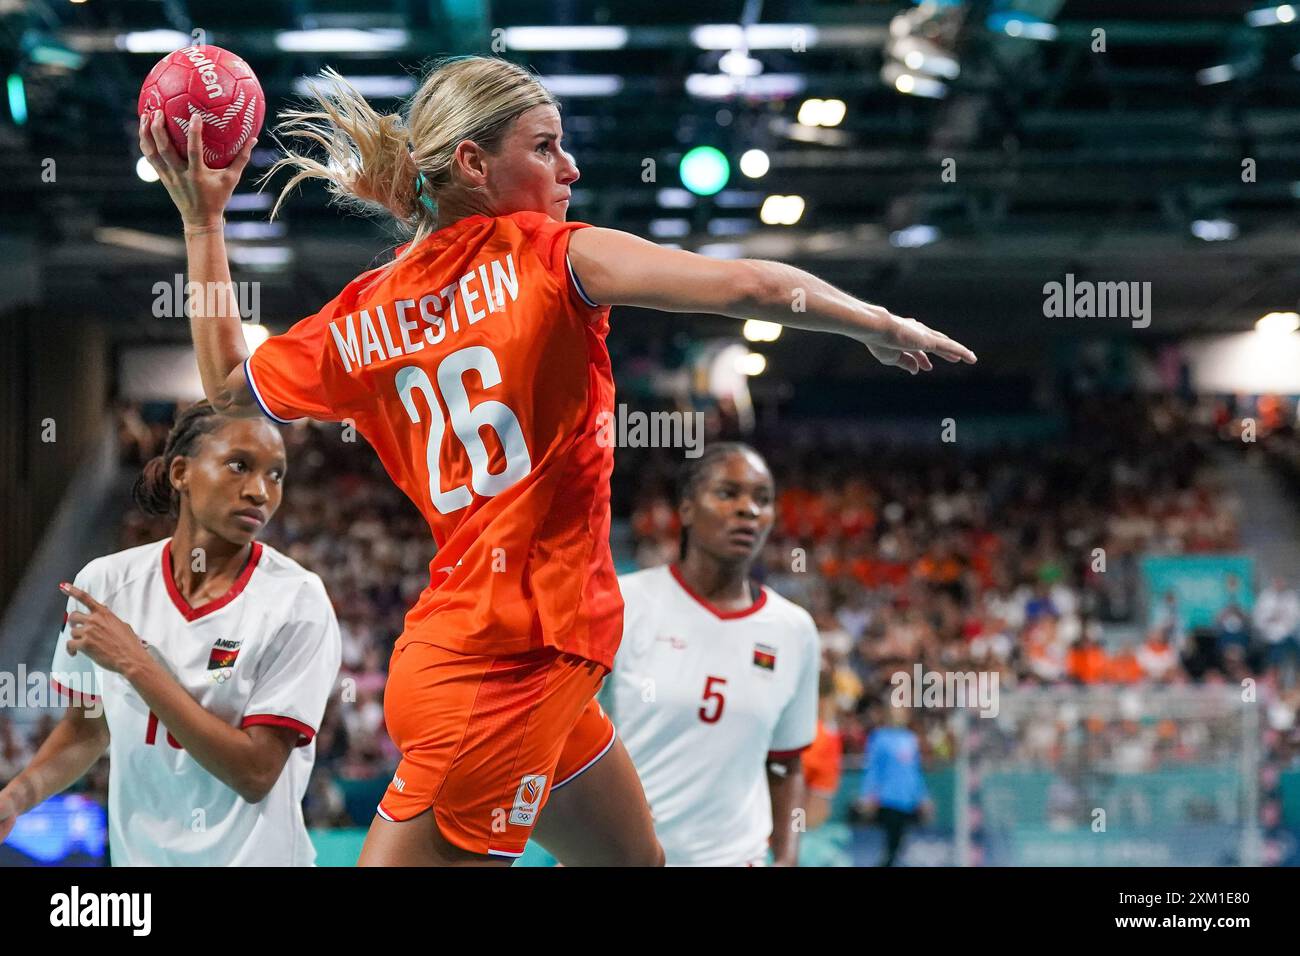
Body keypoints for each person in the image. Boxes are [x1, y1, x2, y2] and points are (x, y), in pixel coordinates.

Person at [138, 53, 976, 866]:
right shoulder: (551, 256)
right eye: (544, 146)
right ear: (472, 162)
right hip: (505, 668)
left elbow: (226, 389)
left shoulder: (365, 312)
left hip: (500, 651)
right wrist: (880, 324)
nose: (569, 167)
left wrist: (204, 223)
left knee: (632, 859)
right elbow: (750, 288)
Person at [0, 403, 341, 865]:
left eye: (276, 475)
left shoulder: (297, 599)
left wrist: (135, 663)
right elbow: (87, 728)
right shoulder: (104, 583)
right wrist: (17, 797)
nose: (260, 491)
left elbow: (256, 772)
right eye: (239, 465)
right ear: (181, 471)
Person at [603, 443, 819, 866]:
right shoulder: (623, 604)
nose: (748, 510)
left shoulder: (794, 631)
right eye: (728, 493)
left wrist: (788, 859)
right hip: (622, 858)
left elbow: (786, 765)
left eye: (763, 499)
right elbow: (565, 734)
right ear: (685, 508)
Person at [857, 707, 933, 867]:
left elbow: (915, 772)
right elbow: (872, 769)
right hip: (887, 799)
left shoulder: (911, 739)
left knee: (899, 844)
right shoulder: (879, 737)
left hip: (906, 800)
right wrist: (868, 795)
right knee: (889, 842)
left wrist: (923, 797)